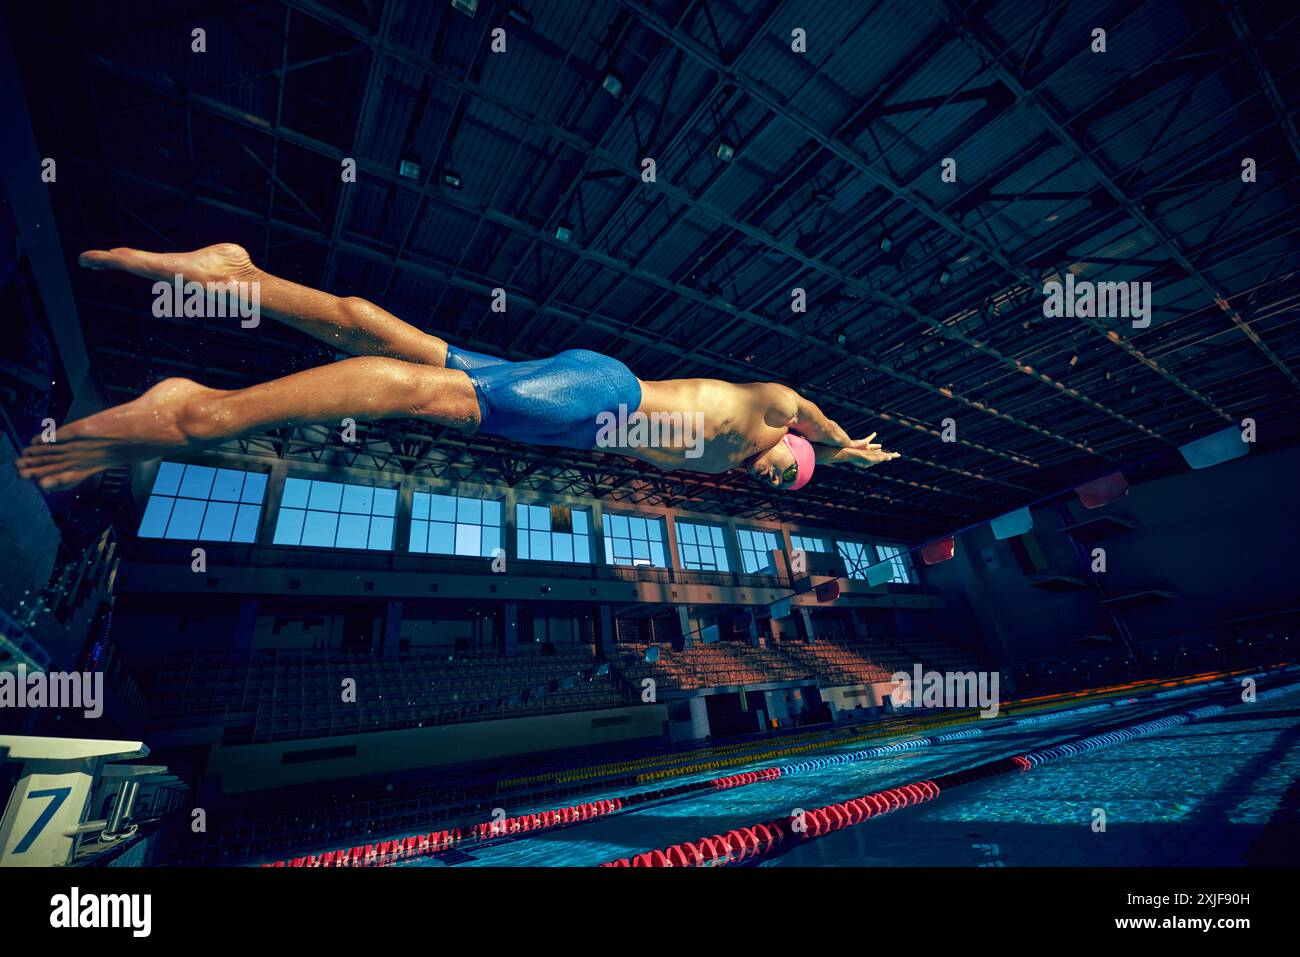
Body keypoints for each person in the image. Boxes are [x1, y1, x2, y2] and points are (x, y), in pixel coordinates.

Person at [14, 244, 900, 492]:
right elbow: (807, 404)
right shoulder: (766, 412)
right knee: (428, 394)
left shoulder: (721, 461)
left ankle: (239, 276)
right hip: (600, 396)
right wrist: (843, 445)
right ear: (792, 443)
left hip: (581, 400)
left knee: (390, 339)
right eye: (795, 472)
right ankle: (197, 412)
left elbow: (651, 449)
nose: (781, 478)